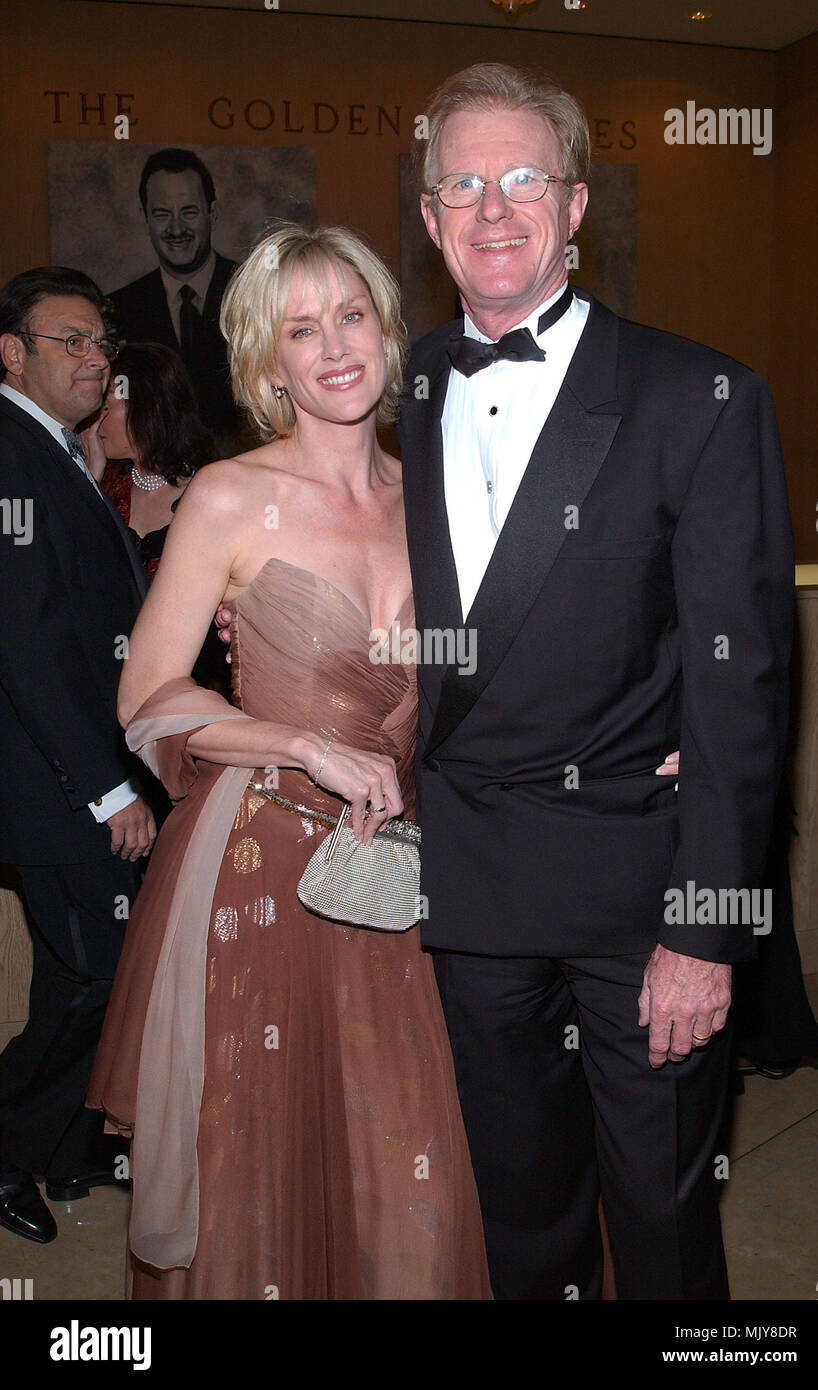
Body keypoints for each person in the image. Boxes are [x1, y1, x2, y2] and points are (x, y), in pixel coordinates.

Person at [394, 63, 795, 1300]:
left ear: (575, 208)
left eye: (525, 178)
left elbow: (746, 680)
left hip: (643, 887)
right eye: (463, 181)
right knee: (523, 1219)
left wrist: (707, 929)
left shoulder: (698, 394)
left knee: (666, 1228)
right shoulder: (408, 385)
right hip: (475, 885)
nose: (493, 207)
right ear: (428, 217)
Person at [87, 224, 491, 1300]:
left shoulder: (441, 496)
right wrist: (300, 739)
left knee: (421, 1171)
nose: (334, 347)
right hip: (263, 872)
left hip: (409, 878)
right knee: (261, 1174)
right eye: (298, 329)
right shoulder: (226, 495)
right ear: (268, 362)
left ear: (388, 328)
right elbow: (146, 699)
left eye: (351, 316)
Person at [0, 266, 156, 1246]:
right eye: (71, 342)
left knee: (73, 977)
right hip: (54, 786)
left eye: (102, 344)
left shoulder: (54, 450)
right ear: (11, 352)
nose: (96, 360)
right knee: (100, 972)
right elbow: (24, 641)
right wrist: (106, 790)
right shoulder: (11, 452)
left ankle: (54, 1149)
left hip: (69, 780)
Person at [108, 149, 240, 450]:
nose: (176, 228)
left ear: (213, 213)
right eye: (162, 214)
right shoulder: (117, 310)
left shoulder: (256, 292)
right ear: (146, 219)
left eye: (189, 212)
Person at [85, 342, 218, 583]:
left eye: (105, 406)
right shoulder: (106, 485)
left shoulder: (213, 490)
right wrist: (89, 479)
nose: (95, 419)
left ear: (151, 407)